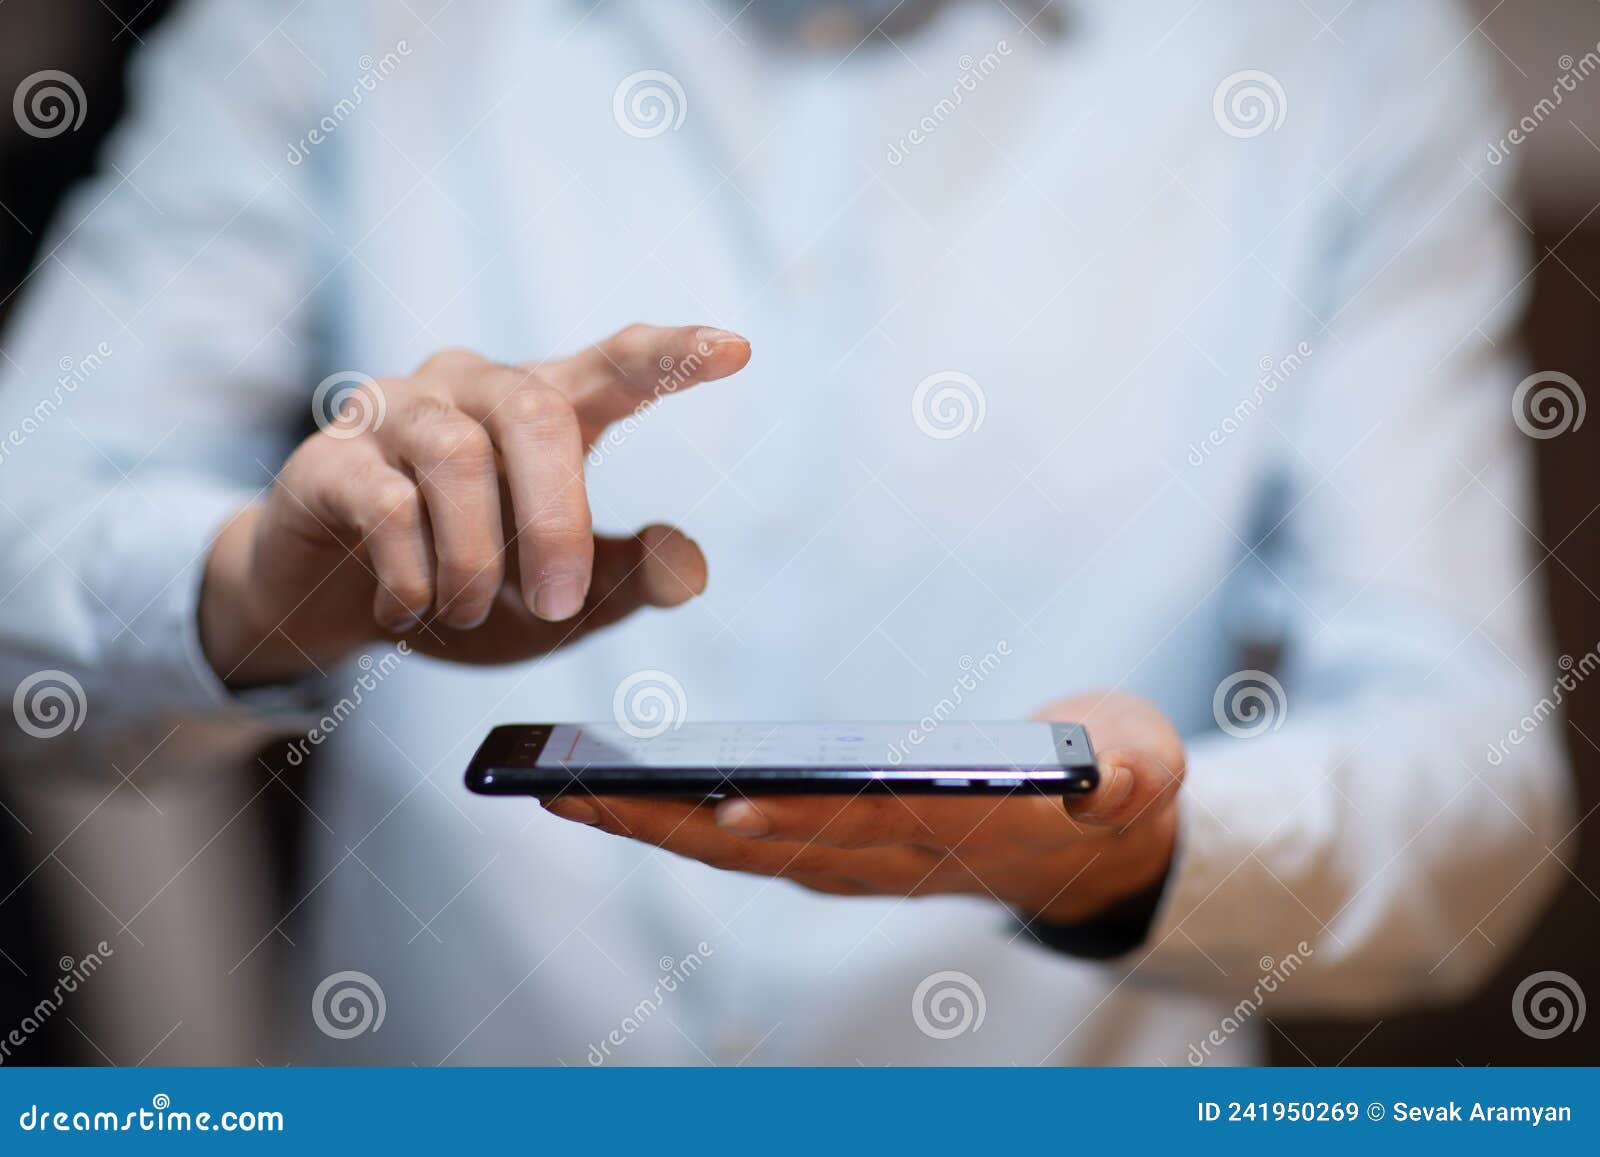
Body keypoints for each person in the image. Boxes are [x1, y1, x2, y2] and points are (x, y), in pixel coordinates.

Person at [0, 0, 1573, 1065]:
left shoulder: (1344, 52)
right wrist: (257, 592)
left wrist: (1148, 853)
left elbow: (1470, 784)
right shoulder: (331, 21)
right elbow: (28, 555)